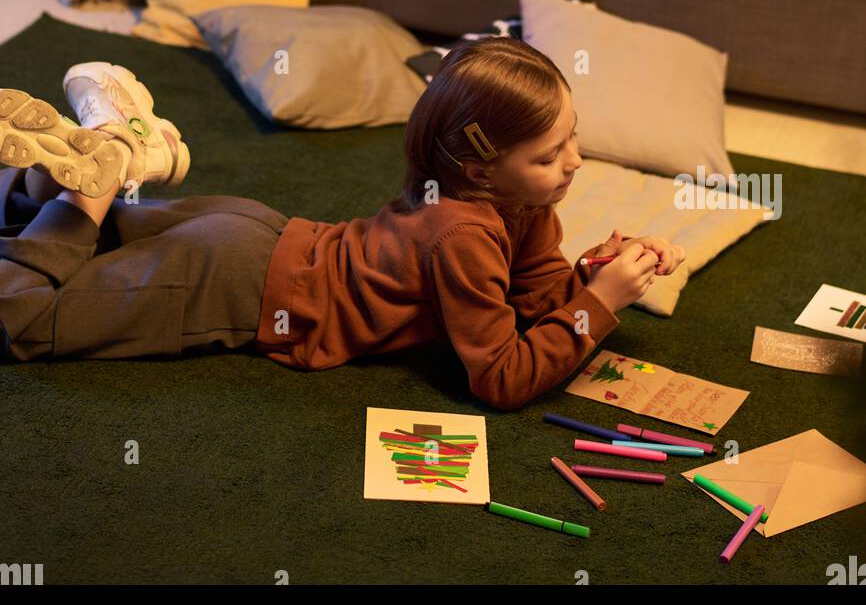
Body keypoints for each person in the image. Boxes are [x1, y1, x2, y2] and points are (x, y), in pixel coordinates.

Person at [0, 44, 683, 410]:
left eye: (572, 140)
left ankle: (65, 178)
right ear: (480, 169)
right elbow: (502, 376)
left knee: (42, 236)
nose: (575, 164)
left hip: (260, 234)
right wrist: (599, 309)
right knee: (19, 319)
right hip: (234, 285)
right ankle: (109, 155)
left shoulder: (523, 204)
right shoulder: (464, 234)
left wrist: (593, 276)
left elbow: (533, 304)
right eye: (548, 155)